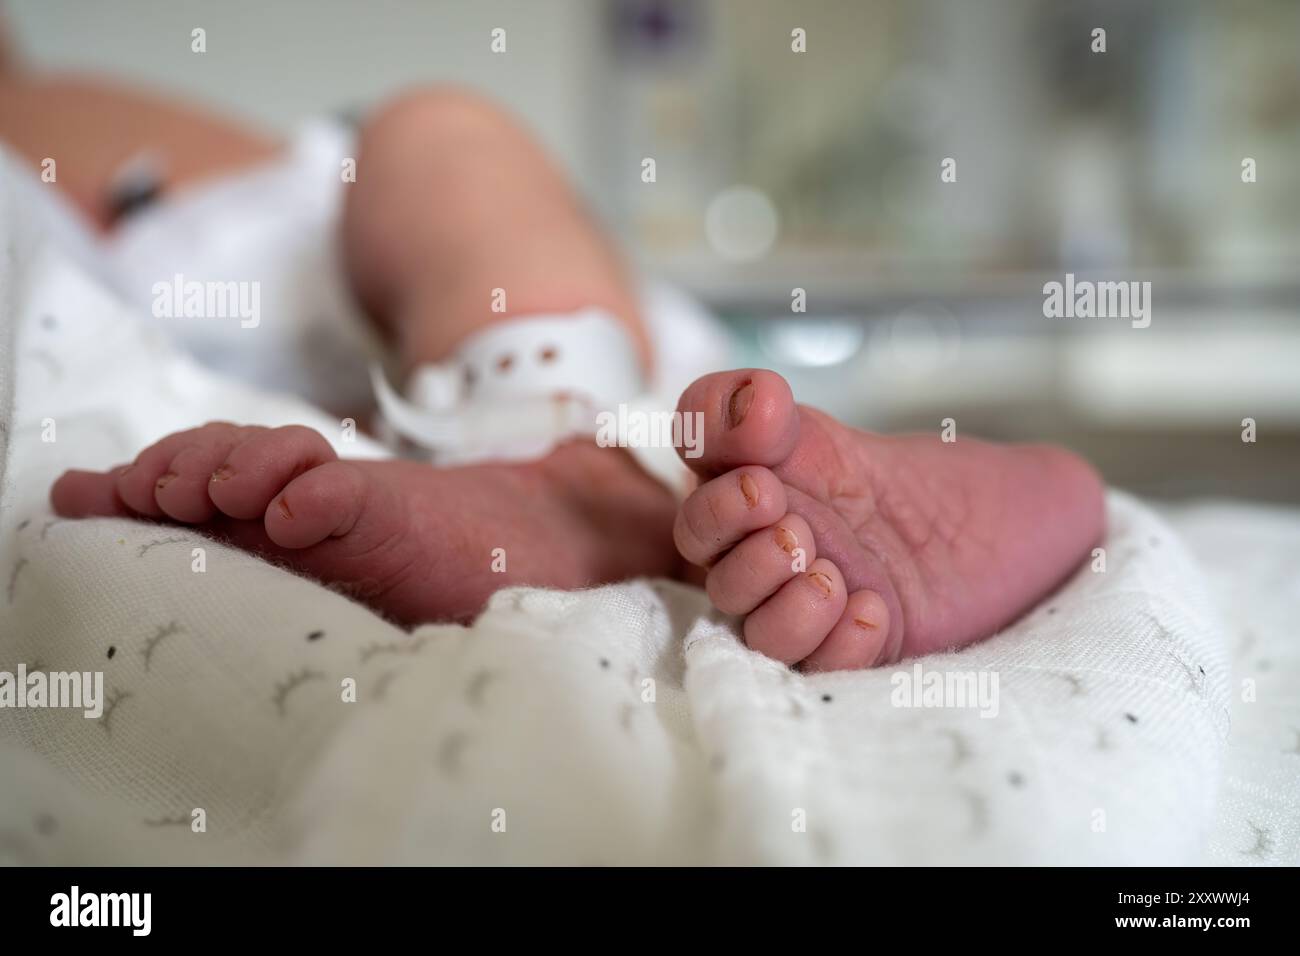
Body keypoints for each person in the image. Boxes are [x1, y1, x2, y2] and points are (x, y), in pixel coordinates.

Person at [2, 66, 1104, 671]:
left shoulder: (56, 112)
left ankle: (555, 465)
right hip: (509, 405)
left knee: (439, 137)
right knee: (443, 170)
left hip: (458, 300)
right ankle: (608, 490)